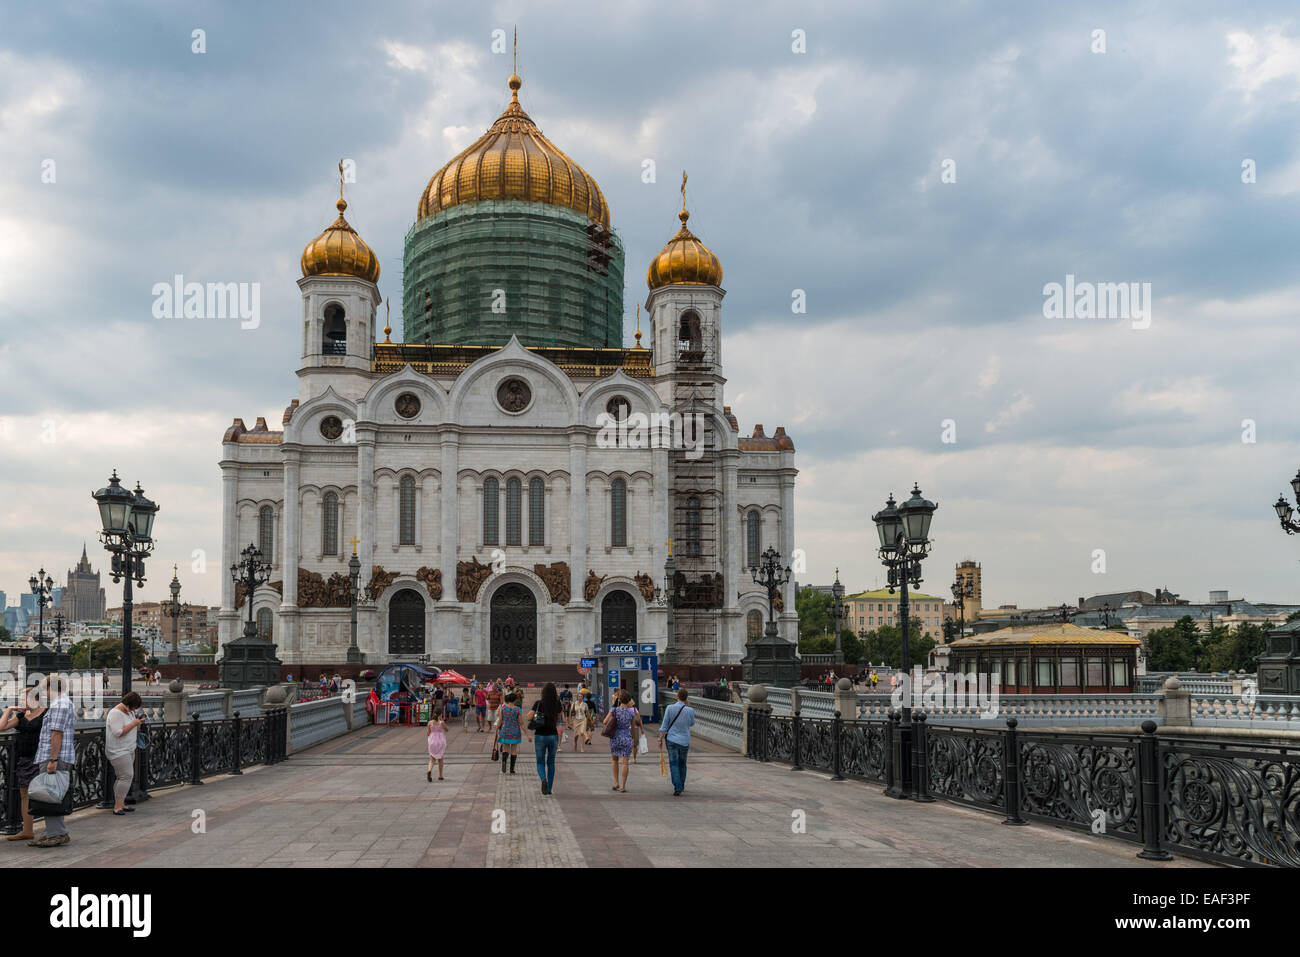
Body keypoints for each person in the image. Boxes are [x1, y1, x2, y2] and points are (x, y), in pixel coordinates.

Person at [30, 674, 76, 847]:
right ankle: (54, 831)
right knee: (53, 793)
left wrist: (52, 759)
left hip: (55, 757)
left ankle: (56, 833)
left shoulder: (59, 705)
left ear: (51, 688)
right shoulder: (64, 703)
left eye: (44, 689)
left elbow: (57, 733)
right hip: (58, 756)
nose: (44, 693)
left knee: (50, 794)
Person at [0, 686, 46, 841]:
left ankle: (52, 829)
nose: (21, 701)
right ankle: (27, 830)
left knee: (44, 793)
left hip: (41, 759)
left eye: (23, 698)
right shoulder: (20, 716)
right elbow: (1, 727)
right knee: (24, 793)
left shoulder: (45, 713)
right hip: (24, 759)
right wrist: (10, 710)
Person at [105, 692, 145, 815]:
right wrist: (134, 723)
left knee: (123, 777)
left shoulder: (130, 712)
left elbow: (131, 728)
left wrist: (137, 723)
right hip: (118, 750)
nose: (133, 710)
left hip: (129, 749)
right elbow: (117, 732)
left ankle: (121, 804)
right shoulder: (115, 713)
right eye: (133, 707)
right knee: (126, 776)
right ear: (128, 704)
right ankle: (117, 806)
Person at [658, 688, 696, 796]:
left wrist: (660, 738)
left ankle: (677, 786)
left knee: (674, 763)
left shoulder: (669, 708)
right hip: (684, 740)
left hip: (672, 740)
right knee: (682, 763)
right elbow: (692, 723)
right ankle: (681, 785)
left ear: (677, 697)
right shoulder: (690, 710)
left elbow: (664, 725)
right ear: (686, 698)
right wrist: (688, 707)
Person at [527, 683, 562, 795]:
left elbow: (529, 717)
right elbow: (562, 718)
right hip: (553, 735)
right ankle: (549, 789)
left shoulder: (539, 703)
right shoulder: (557, 703)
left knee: (540, 762)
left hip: (540, 735)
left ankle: (543, 780)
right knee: (551, 762)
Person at [607, 689, 642, 793]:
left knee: (614, 760)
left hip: (615, 737)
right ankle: (623, 786)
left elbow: (605, 721)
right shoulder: (631, 713)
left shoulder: (614, 710)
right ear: (628, 700)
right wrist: (634, 739)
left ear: (619, 699)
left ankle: (616, 782)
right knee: (625, 762)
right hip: (627, 737)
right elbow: (633, 727)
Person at [495, 692, 523, 774]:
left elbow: (499, 721)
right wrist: (527, 733)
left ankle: (504, 762)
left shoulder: (503, 708)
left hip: (505, 731)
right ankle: (512, 769)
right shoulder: (518, 709)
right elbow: (521, 723)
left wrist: (496, 729)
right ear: (514, 700)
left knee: (505, 749)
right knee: (513, 750)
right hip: (515, 732)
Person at [426, 702, 448, 782]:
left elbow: (428, 733)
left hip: (432, 741)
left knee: (432, 759)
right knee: (440, 759)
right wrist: (442, 722)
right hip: (440, 742)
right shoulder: (441, 723)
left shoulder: (430, 723)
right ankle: (440, 775)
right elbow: (447, 730)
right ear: (440, 714)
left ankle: (429, 771)